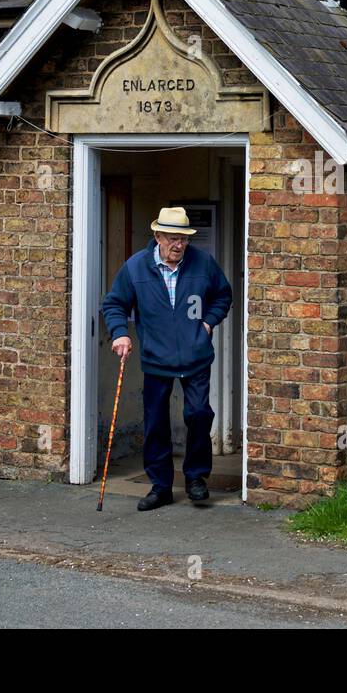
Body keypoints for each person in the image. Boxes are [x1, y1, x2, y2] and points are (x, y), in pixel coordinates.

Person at [100, 207, 233, 511]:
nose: (179, 245)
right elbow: (115, 304)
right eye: (173, 238)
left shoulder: (203, 263)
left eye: (184, 239)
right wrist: (120, 333)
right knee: (156, 423)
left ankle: (196, 479)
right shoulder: (136, 268)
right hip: (156, 358)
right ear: (157, 236)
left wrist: (208, 323)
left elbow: (223, 295)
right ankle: (160, 486)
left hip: (196, 356)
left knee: (199, 415)